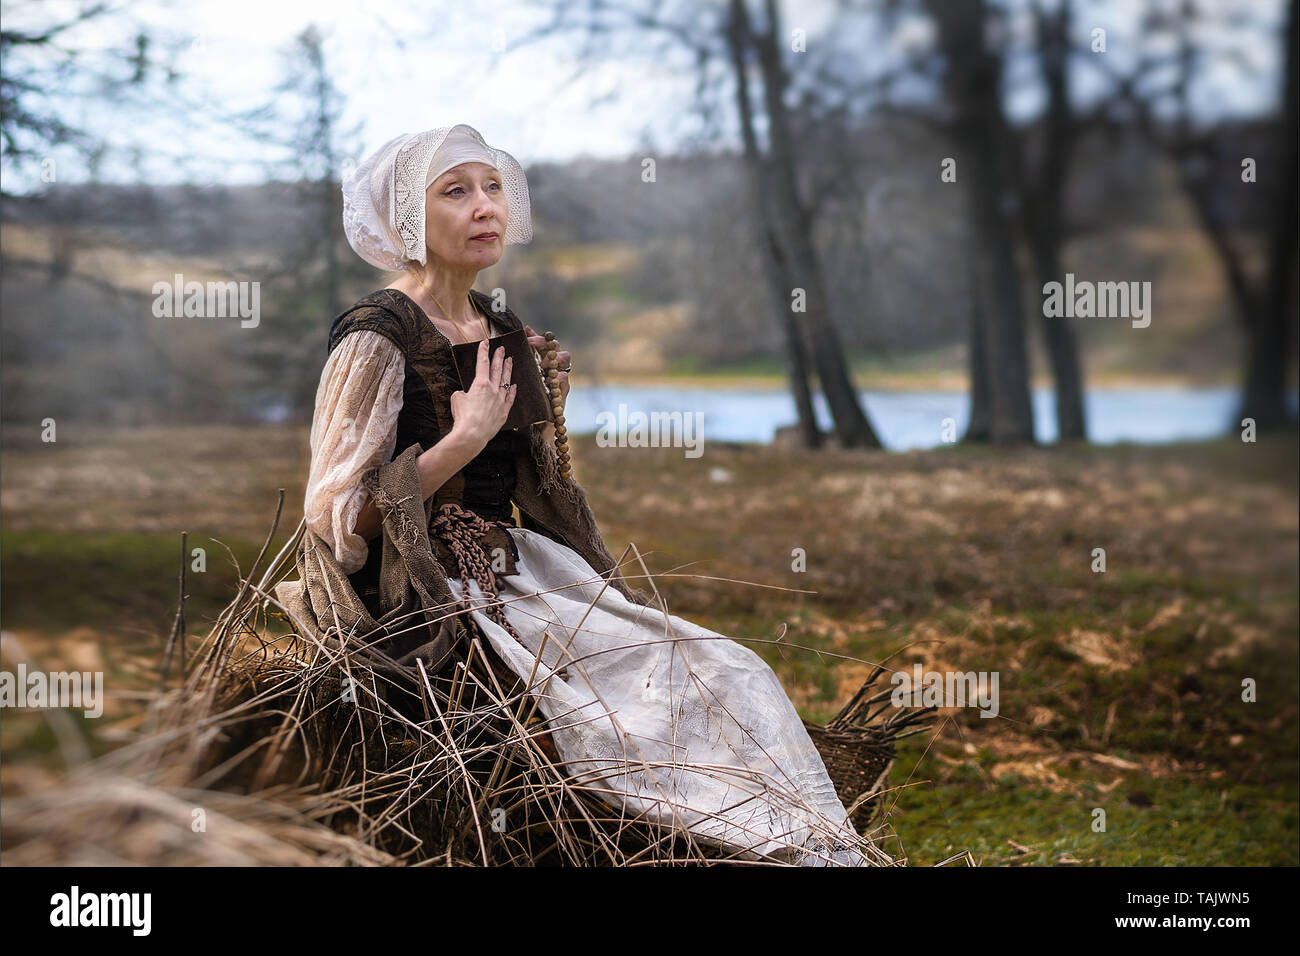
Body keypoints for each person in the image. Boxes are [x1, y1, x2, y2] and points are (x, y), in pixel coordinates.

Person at [298, 124, 869, 865]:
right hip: (422, 588)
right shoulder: (376, 336)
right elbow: (344, 519)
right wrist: (460, 442)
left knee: (726, 668)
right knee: (590, 715)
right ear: (408, 217)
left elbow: (538, 483)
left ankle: (808, 847)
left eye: (494, 186)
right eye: (456, 191)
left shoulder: (497, 324)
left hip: (518, 569)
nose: (485, 207)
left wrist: (541, 405)